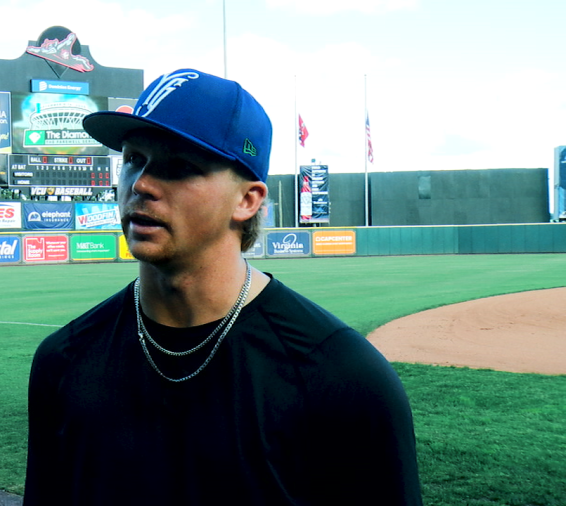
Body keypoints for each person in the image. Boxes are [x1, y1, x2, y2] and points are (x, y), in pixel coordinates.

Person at [23, 69, 422, 505]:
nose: (140, 185)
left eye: (179, 167)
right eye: (134, 158)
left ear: (247, 200)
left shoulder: (342, 377)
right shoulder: (63, 362)